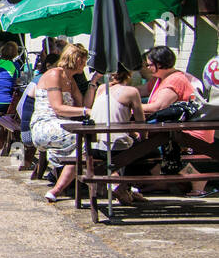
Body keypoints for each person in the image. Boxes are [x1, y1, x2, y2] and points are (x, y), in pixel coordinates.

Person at [141, 45, 212, 195]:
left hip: (187, 133)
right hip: (174, 130)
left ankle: (190, 181)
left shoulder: (175, 80)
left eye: (149, 64)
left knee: (147, 142)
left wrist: (131, 106)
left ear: (159, 63)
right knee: (145, 142)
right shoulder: (160, 79)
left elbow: (158, 107)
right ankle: (163, 181)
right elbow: (142, 90)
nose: (147, 67)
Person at [31, 43, 91, 203]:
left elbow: (82, 104)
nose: (85, 65)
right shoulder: (54, 75)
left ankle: (59, 186)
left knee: (89, 142)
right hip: (45, 125)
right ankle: (60, 187)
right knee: (87, 142)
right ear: (77, 59)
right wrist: (86, 111)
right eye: (84, 61)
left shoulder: (70, 79)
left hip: (63, 125)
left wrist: (93, 83)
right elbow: (58, 108)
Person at [89, 69, 146, 206]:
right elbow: (140, 122)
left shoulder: (102, 89)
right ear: (129, 74)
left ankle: (126, 188)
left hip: (94, 144)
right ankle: (122, 187)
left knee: (132, 145)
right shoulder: (131, 92)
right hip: (113, 147)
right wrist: (143, 137)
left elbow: (114, 118)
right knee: (146, 149)